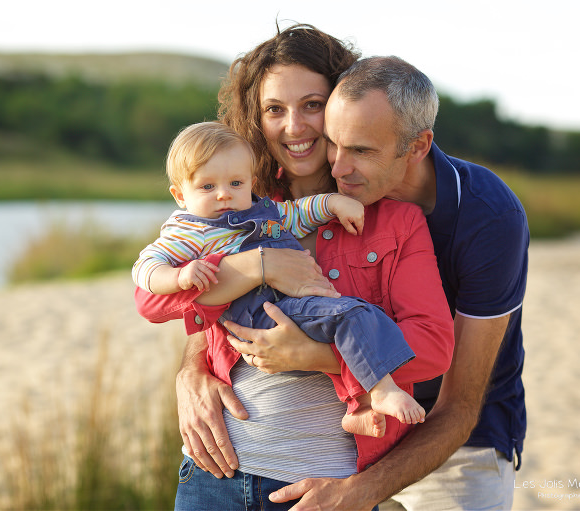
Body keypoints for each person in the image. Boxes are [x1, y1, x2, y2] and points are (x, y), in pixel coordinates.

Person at [134, 24, 454, 511]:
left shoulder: (394, 222)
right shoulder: (237, 205)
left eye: (313, 105)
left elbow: (432, 346)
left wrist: (317, 355)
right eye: (274, 110)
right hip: (213, 477)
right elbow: (156, 299)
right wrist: (259, 266)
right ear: (254, 119)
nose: (295, 127)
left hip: (320, 489)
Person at [243, 56, 529, 510]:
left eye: (361, 151)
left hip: (458, 437)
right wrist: (191, 371)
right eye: (334, 143)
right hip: (353, 429)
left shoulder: (489, 219)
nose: (338, 167)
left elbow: (459, 405)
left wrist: (361, 492)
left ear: (417, 146)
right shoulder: (325, 192)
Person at [132, 121, 426, 439]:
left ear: (251, 183)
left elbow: (298, 213)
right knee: (350, 315)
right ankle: (381, 390)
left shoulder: (262, 211)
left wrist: (332, 203)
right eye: (207, 187)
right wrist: (179, 275)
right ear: (180, 194)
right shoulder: (191, 231)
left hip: (290, 304)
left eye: (235, 183)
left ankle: (359, 405)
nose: (223, 195)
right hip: (265, 312)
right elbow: (145, 267)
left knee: (354, 322)